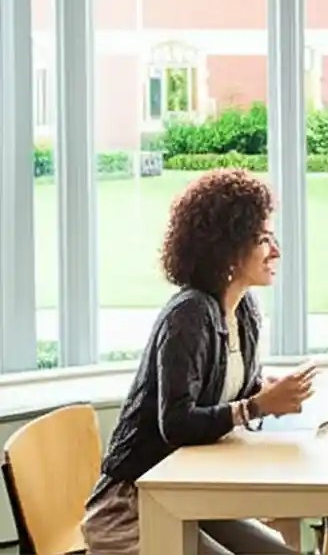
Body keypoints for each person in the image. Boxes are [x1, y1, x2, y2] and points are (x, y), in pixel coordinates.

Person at [81, 168, 314, 555]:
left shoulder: (244, 310)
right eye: (263, 239)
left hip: (190, 490)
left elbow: (229, 387)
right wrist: (257, 406)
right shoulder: (189, 314)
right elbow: (175, 423)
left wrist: (270, 392)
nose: (276, 250)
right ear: (228, 247)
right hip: (134, 503)